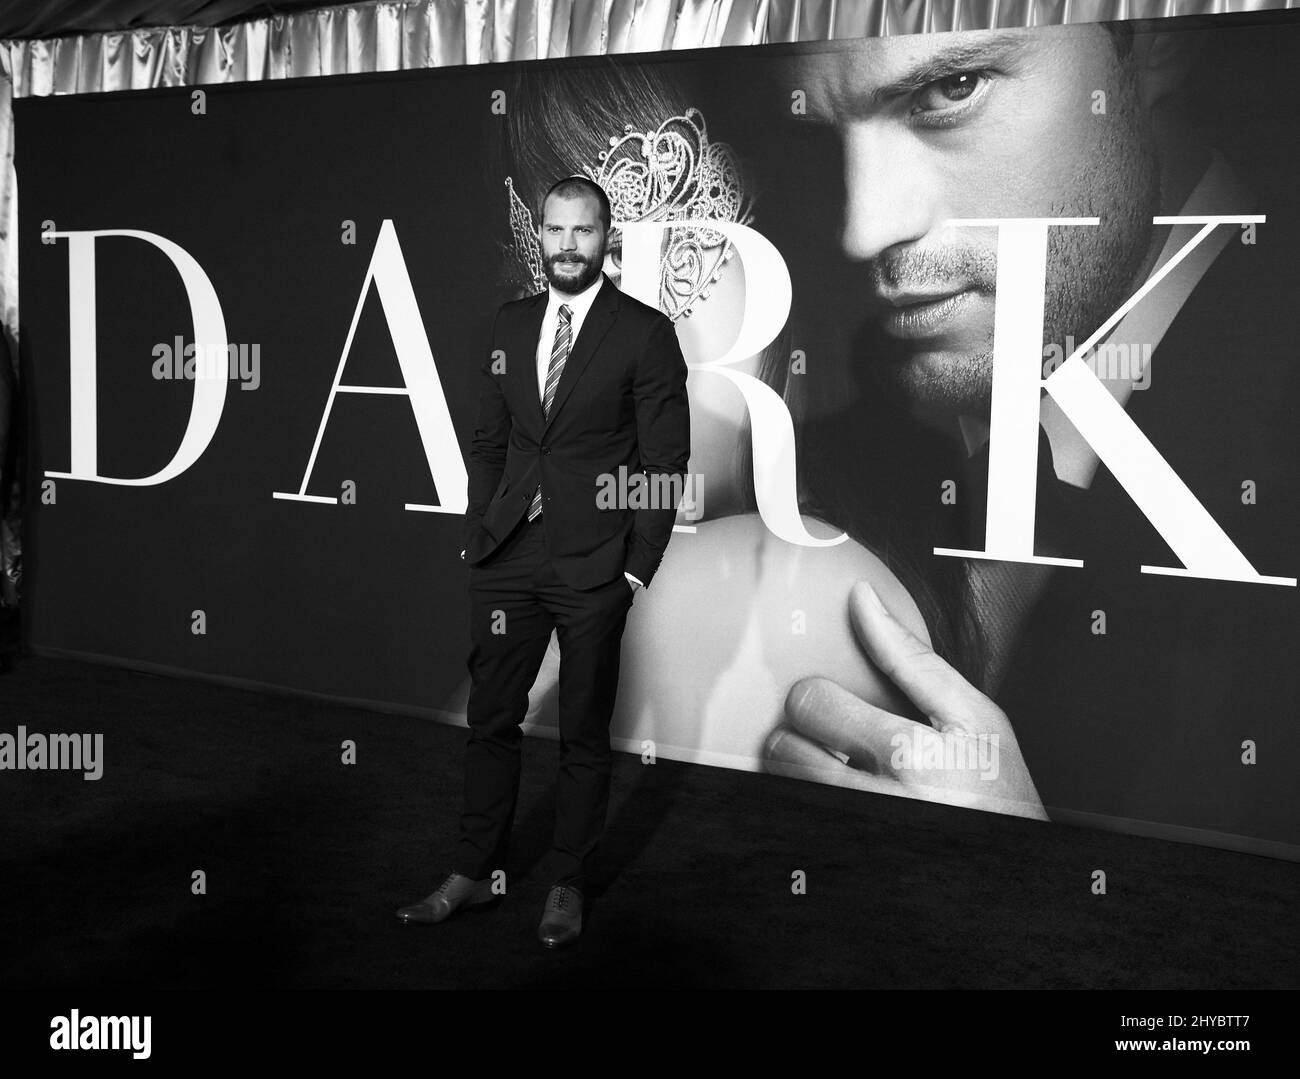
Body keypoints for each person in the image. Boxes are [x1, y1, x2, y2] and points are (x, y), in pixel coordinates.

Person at [398, 175, 691, 946]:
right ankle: (471, 870)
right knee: (491, 717)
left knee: (583, 733)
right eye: (555, 230)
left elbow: (665, 459)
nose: (567, 245)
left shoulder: (644, 333)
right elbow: (491, 440)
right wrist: (481, 530)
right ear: (542, 236)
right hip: (508, 558)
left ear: (607, 238)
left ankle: (567, 881)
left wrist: (637, 566)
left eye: (582, 231)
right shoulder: (510, 322)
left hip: (595, 565)